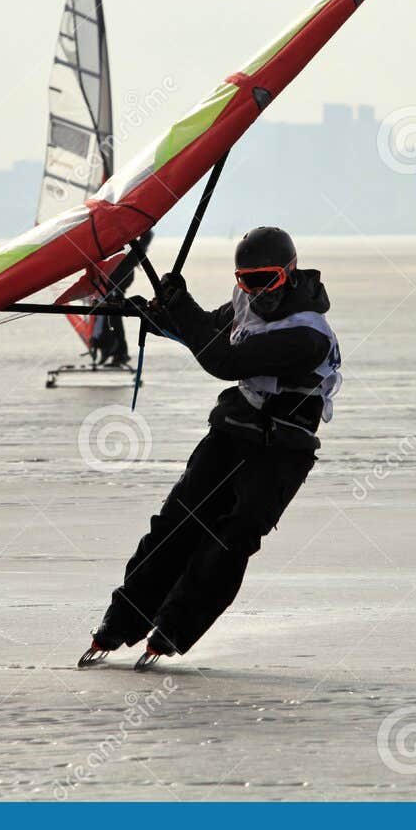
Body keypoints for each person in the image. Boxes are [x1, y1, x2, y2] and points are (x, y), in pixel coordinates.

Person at [78, 226, 340, 670]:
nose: (258, 293)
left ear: (290, 275)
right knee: (175, 522)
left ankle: (172, 631)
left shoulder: (306, 332)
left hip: (281, 451)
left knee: (230, 537)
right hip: (234, 432)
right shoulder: (245, 306)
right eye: (248, 282)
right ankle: (121, 621)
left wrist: (181, 310)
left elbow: (224, 360)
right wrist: (158, 315)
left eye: (268, 281)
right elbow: (208, 330)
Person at [88, 232, 151, 367]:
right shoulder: (121, 248)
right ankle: (115, 352)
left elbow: (146, 238)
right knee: (110, 316)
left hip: (117, 284)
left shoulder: (129, 251)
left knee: (112, 315)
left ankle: (118, 352)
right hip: (113, 284)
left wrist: (144, 229)